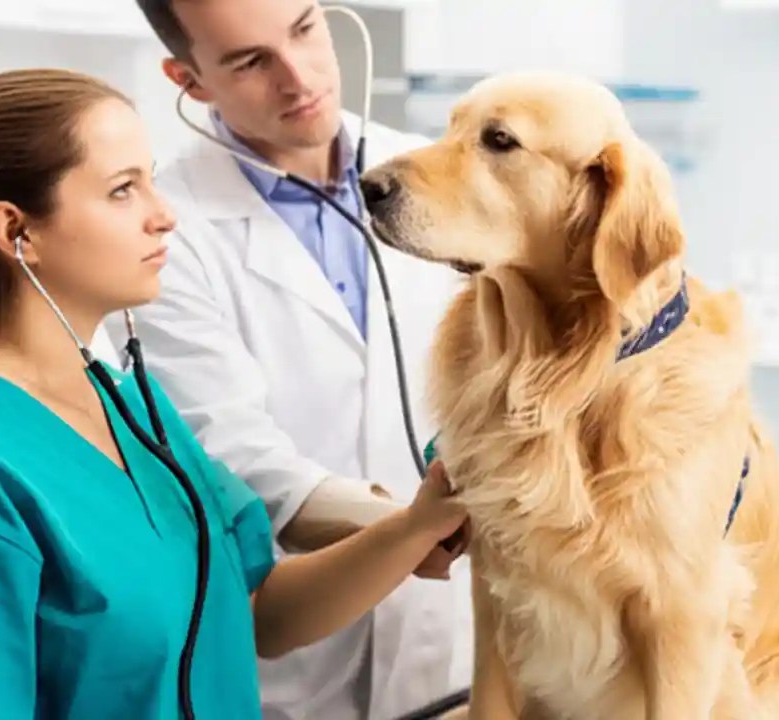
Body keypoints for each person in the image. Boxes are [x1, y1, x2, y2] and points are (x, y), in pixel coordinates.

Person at [0, 67, 467, 720]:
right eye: (124, 190)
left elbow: (255, 611)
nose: (164, 216)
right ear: (17, 230)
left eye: (151, 180)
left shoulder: (132, 408)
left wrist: (418, 525)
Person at [130, 1, 472, 717]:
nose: (299, 76)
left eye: (305, 29)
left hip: (462, 648)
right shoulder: (168, 235)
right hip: (304, 668)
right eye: (251, 61)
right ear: (189, 81)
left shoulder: (447, 174)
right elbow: (244, 464)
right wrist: (413, 526)